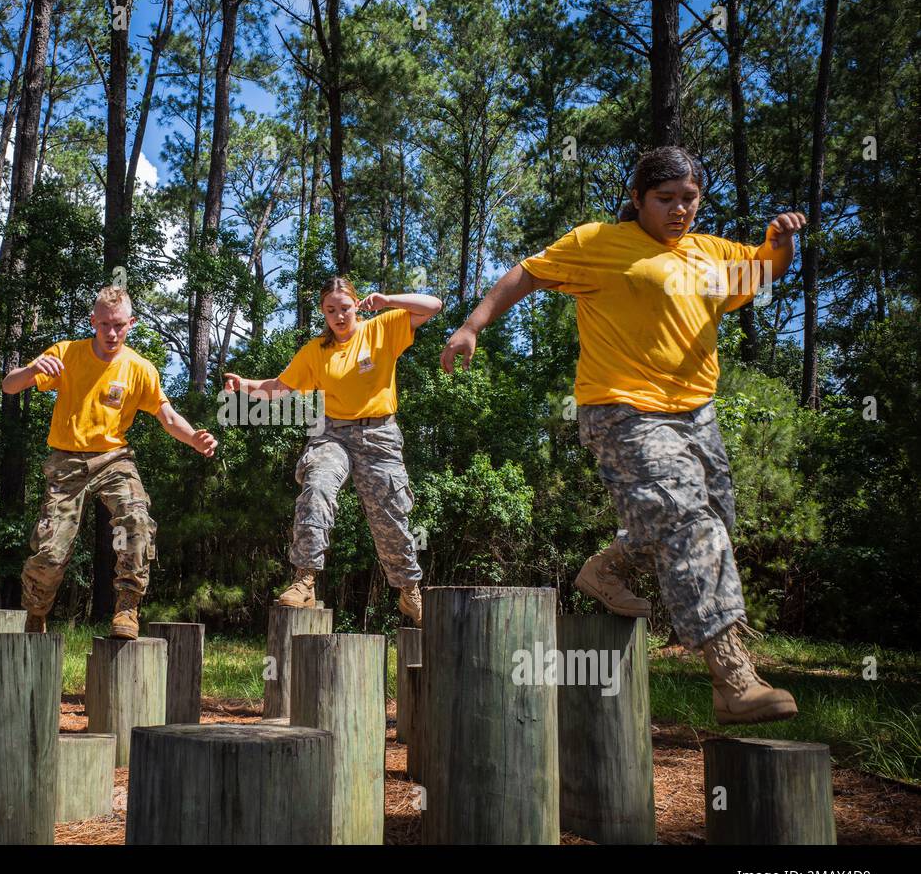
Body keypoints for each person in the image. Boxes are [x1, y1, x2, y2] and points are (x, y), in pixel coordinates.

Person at [441, 145, 806, 724]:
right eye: (665, 199)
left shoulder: (711, 254)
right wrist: (471, 326)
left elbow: (762, 271)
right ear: (637, 199)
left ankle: (606, 566)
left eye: (689, 199)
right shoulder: (598, 244)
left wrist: (780, 241)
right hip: (623, 411)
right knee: (687, 521)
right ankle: (733, 678)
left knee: (714, 517)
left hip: (697, 412)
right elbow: (525, 275)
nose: (679, 209)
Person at [3, 285, 217, 639]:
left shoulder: (139, 368)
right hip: (67, 459)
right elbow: (9, 386)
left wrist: (194, 437)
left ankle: (127, 610)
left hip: (114, 459)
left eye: (119, 325)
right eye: (104, 325)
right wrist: (30, 370)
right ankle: (37, 611)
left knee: (136, 520)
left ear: (131, 323)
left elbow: (166, 415)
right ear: (93, 322)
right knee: (52, 550)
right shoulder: (67, 354)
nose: (112, 332)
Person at [223, 277, 441, 624]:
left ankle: (408, 589)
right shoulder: (316, 351)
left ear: (356, 305)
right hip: (331, 433)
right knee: (317, 485)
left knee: (390, 514)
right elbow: (279, 387)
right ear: (323, 313)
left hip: (379, 434)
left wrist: (387, 300)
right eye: (330, 311)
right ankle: (305, 579)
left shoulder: (382, 329)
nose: (339, 316)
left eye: (344, 308)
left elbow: (433, 306)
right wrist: (244, 386)